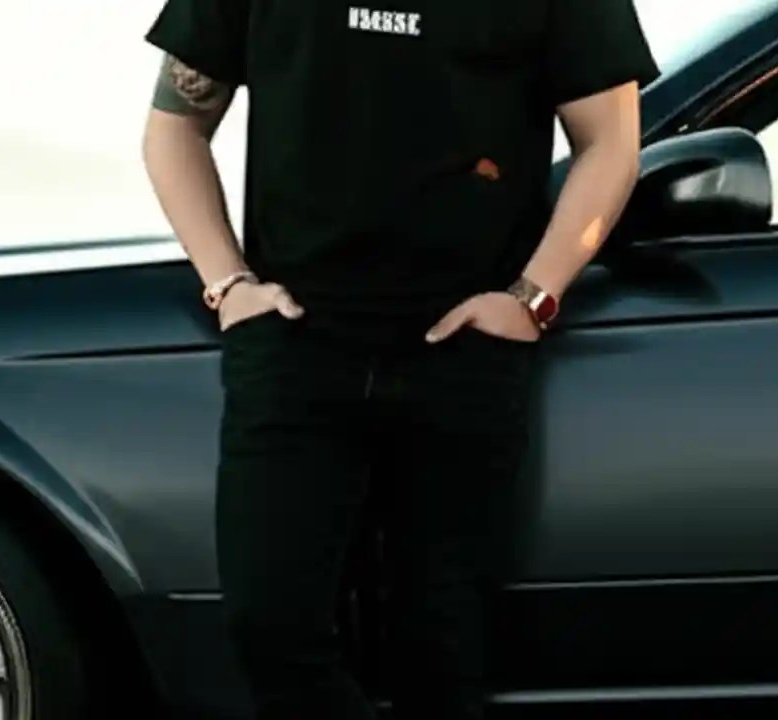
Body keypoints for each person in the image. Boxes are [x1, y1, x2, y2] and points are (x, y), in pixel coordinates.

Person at [141, 1, 659, 718]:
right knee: (270, 629)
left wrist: (532, 296)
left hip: (464, 349)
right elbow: (175, 125)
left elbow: (610, 142)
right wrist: (228, 282)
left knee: (439, 651)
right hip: (296, 339)